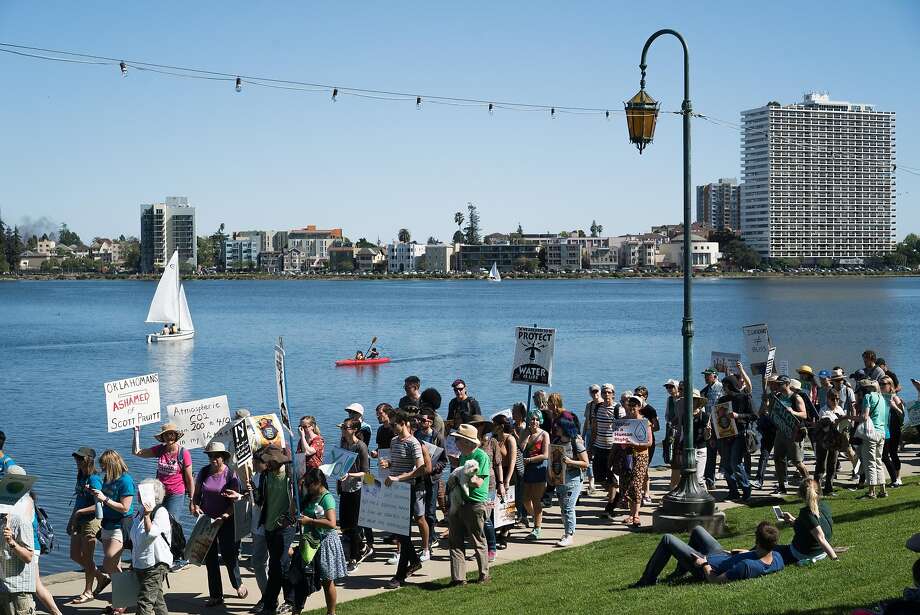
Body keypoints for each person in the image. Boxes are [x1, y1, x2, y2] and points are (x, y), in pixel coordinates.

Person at [634, 521, 784, 586]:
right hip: (722, 554)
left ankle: (647, 580)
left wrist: (704, 564)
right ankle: (679, 572)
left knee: (668, 539)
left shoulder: (747, 566)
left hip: (706, 567)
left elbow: (715, 580)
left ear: (758, 542)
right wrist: (744, 552)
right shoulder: (776, 557)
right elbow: (762, 555)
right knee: (698, 530)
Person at [132, 422, 194, 572]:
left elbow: (189, 478)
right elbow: (137, 452)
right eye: (166, 434)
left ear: (176, 436)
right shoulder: (160, 450)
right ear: (163, 437)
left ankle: (177, 557)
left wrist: (192, 500)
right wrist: (136, 432)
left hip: (176, 493)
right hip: (159, 493)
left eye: (171, 434)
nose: (169, 437)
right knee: (154, 521)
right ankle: (162, 556)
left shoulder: (183, 453)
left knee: (173, 523)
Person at [192, 441, 246, 607]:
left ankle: (237, 584)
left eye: (216, 456)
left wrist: (224, 516)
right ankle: (216, 595)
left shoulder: (231, 475)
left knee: (230, 555)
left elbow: (235, 503)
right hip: (207, 520)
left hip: (226, 520)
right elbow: (197, 494)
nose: (213, 459)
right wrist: (195, 506)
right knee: (210, 558)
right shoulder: (203, 472)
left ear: (223, 458)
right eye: (210, 456)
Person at [292, 467, 347, 615]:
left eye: (309, 485)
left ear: (318, 482)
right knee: (303, 577)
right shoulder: (310, 496)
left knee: (327, 580)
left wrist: (310, 521)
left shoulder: (327, 498)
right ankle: (296, 609)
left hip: (325, 543)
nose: (308, 488)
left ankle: (331, 612)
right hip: (311, 542)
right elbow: (295, 512)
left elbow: (332, 523)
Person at [383, 411, 428, 589]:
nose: (392, 428)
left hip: (407, 490)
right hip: (394, 491)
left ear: (403, 423)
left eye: (394, 424)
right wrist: (389, 465)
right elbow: (398, 464)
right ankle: (415, 562)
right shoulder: (394, 442)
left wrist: (399, 478)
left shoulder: (413, 443)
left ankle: (400, 576)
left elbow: (421, 468)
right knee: (399, 532)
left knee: (403, 533)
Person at [91, 449, 135, 614]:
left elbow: (125, 508)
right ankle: (119, 602)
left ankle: (125, 598)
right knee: (114, 565)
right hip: (107, 524)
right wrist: (95, 493)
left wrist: (105, 499)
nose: (102, 469)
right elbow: (103, 498)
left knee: (109, 562)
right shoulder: (108, 479)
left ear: (111, 464)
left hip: (120, 524)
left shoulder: (126, 481)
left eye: (104, 465)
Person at [254, 445, 296, 615]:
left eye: (267, 462)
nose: (265, 465)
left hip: (285, 527)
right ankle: (289, 601)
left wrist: (290, 518)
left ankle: (274, 604)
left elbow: (299, 500)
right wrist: (253, 491)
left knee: (277, 565)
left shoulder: (290, 477)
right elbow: (260, 501)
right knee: (281, 565)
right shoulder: (265, 476)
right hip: (269, 526)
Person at [447, 424, 490, 586]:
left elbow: (478, 483)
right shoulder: (463, 457)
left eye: (457, 439)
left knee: (477, 539)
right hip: (459, 501)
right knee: (455, 539)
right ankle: (458, 578)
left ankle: (484, 575)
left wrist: (463, 476)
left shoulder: (481, 457)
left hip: (475, 503)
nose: (455, 442)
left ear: (467, 442)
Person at [66, 447, 105, 605]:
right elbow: (79, 500)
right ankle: (101, 577)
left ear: (88, 460)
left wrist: (80, 512)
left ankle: (88, 591)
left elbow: (100, 504)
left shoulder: (94, 479)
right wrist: (72, 519)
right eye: (76, 458)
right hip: (79, 518)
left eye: (80, 459)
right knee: (75, 554)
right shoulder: (81, 476)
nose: (77, 461)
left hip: (92, 520)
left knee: (88, 558)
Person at [131, 478, 173, 615]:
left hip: (155, 564)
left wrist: (148, 516)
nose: (137, 495)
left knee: (145, 602)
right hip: (142, 563)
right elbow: (135, 538)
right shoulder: (138, 512)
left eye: (141, 492)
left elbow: (150, 535)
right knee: (157, 600)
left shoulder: (161, 513)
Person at [0, 465, 37, 615]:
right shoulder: (4, 516)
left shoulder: (21, 518)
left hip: (19, 588)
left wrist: (12, 543)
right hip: (3, 585)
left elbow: (29, 556)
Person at [776, 478, 837, 564]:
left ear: (800, 494)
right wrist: (793, 520)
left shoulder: (806, 513)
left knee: (768, 547)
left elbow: (821, 537)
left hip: (804, 553)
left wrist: (835, 558)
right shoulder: (824, 506)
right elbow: (810, 526)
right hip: (821, 552)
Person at [337, 418, 370, 572]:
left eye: (346, 427)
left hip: (357, 488)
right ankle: (362, 547)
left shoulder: (361, 447)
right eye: (342, 427)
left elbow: (366, 473)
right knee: (344, 524)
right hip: (344, 487)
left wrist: (349, 475)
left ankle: (354, 558)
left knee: (355, 524)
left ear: (354, 430)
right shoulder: (343, 443)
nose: (343, 430)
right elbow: (339, 463)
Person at [551, 417, 589, 545]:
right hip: (559, 479)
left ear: (565, 428)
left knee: (568, 508)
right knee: (563, 509)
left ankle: (569, 534)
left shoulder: (576, 443)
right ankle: (567, 530)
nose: (556, 428)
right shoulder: (556, 441)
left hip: (573, 480)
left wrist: (571, 462)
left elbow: (586, 463)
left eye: (559, 427)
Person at [717, 375, 755, 501]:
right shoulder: (722, 400)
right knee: (726, 464)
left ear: (728, 386)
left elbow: (754, 415)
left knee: (735, 463)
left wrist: (738, 415)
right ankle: (733, 491)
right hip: (726, 434)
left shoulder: (744, 397)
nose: (723, 388)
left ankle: (746, 489)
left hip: (740, 433)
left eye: (724, 386)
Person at [768, 375, 809, 495]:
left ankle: (809, 485)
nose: (778, 386)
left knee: (797, 461)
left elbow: (804, 415)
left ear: (787, 384)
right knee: (778, 458)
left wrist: (793, 412)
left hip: (794, 432)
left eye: (780, 384)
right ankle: (781, 486)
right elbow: (772, 411)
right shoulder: (778, 397)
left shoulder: (796, 397)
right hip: (781, 431)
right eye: (777, 384)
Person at [589, 383, 625, 518]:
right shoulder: (597, 407)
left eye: (609, 392)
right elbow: (594, 427)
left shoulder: (618, 409)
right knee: (599, 477)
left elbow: (622, 430)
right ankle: (615, 494)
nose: (606, 395)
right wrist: (590, 446)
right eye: (604, 392)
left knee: (612, 478)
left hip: (612, 448)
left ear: (613, 394)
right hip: (599, 446)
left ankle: (610, 506)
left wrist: (619, 449)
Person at [414, 409, 446, 556]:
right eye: (419, 419)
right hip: (419, 478)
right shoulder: (417, 435)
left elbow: (443, 461)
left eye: (423, 420)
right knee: (420, 510)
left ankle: (431, 537)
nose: (420, 422)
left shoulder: (438, 437)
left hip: (432, 479)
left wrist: (433, 468)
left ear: (430, 422)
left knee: (430, 511)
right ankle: (427, 539)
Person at [469, 415, 501, 562]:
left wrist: (502, 483)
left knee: (486, 517)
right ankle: (480, 549)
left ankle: (492, 548)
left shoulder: (492, 442)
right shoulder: (469, 445)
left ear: (483, 427)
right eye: (474, 425)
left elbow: (498, 464)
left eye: (479, 425)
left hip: (490, 484)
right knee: (476, 519)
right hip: (472, 484)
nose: (477, 427)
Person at [619, 395, 652, 528]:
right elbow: (619, 441)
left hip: (641, 456)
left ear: (639, 407)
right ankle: (631, 514)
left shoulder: (645, 422)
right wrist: (623, 443)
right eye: (630, 404)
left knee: (637, 484)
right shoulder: (622, 421)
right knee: (626, 484)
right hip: (626, 456)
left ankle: (636, 514)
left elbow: (649, 442)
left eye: (635, 404)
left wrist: (635, 443)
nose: (632, 407)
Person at [670, 388, 709, 490]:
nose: (692, 402)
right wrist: (679, 445)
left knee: (699, 478)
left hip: (700, 449)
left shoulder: (704, 416)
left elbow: (706, 437)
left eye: (694, 399)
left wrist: (708, 432)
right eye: (690, 399)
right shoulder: (685, 416)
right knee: (687, 477)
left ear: (699, 401)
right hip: (687, 450)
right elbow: (683, 432)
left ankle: (706, 499)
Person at [520, 409, 550, 540]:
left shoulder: (544, 434)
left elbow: (546, 455)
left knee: (536, 499)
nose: (535, 422)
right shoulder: (524, 432)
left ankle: (537, 528)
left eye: (537, 419)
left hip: (538, 468)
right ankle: (535, 517)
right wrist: (526, 437)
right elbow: (520, 449)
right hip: (526, 469)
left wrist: (530, 460)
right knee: (525, 499)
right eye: (532, 419)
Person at [857, 379, 889, 499]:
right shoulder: (882, 398)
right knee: (878, 461)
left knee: (869, 462)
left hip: (871, 433)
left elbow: (865, 417)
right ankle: (883, 490)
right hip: (882, 432)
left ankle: (871, 492)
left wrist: (848, 417)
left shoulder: (868, 397)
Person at [491, 414, 517, 550]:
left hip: (508, 473)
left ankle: (504, 534)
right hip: (496, 473)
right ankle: (496, 530)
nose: (491, 427)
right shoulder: (493, 439)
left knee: (507, 505)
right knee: (496, 505)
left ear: (500, 426)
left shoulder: (510, 439)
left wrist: (507, 480)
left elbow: (512, 461)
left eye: (494, 424)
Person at [814, 388, 847, 496]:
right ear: (828, 399)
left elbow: (843, 424)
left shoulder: (840, 409)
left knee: (832, 465)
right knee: (821, 466)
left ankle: (829, 488)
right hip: (823, 441)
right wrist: (833, 423)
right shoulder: (823, 410)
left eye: (837, 399)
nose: (835, 401)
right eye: (833, 399)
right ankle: (817, 489)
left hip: (835, 441)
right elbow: (824, 428)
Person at [633, 386, 659, 505]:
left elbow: (657, 427)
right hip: (634, 441)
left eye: (639, 395)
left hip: (648, 442)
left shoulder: (650, 410)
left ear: (645, 397)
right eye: (635, 395)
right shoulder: (633, 409)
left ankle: (646, 493)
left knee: (645, 468)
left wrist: (645, 428)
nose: (637, 397)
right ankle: (636, 492)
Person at [700, 367, 724, 489]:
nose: (705, 377)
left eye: (707, 375)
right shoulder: (704, 391)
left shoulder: (722, 387)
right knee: (710, 453)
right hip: (709, 425)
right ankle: (710, 480)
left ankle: (728, 476)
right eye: (705, 375)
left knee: (724, 452)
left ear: (714, 376)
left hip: (722, 424)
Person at [880, 376, 904, 487]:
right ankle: (892, 477)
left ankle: (898, 477)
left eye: (884, 384)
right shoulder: (880, 397)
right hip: (884, 428)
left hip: (894, 429)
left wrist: (894, 407)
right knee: (885, 454)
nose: (881, 386)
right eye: (880, 384)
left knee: (893, 453)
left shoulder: (894, 397)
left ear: (890, 386)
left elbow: (902, 415)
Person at [582, 384, 602, 492]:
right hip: (590, 432)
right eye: (593, 392)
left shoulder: (604, 404)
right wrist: (583, 435)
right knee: (588, 457)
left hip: (601, 433)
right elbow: (586, 421)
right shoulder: (589, 405)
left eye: (596, 391)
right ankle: (591, 483)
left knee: (600, 457)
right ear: (590, 393)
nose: (595, 394)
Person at [662, 379, 680, 468]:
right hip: (671, 427)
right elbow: (667, 414)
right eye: (667, 387)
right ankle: (671, 461)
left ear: (677, 387)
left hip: (681, 426)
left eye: (671, 387)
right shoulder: (669, 399)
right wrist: (669, 421)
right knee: (670, 445)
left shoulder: (681, 398)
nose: (669, 389)